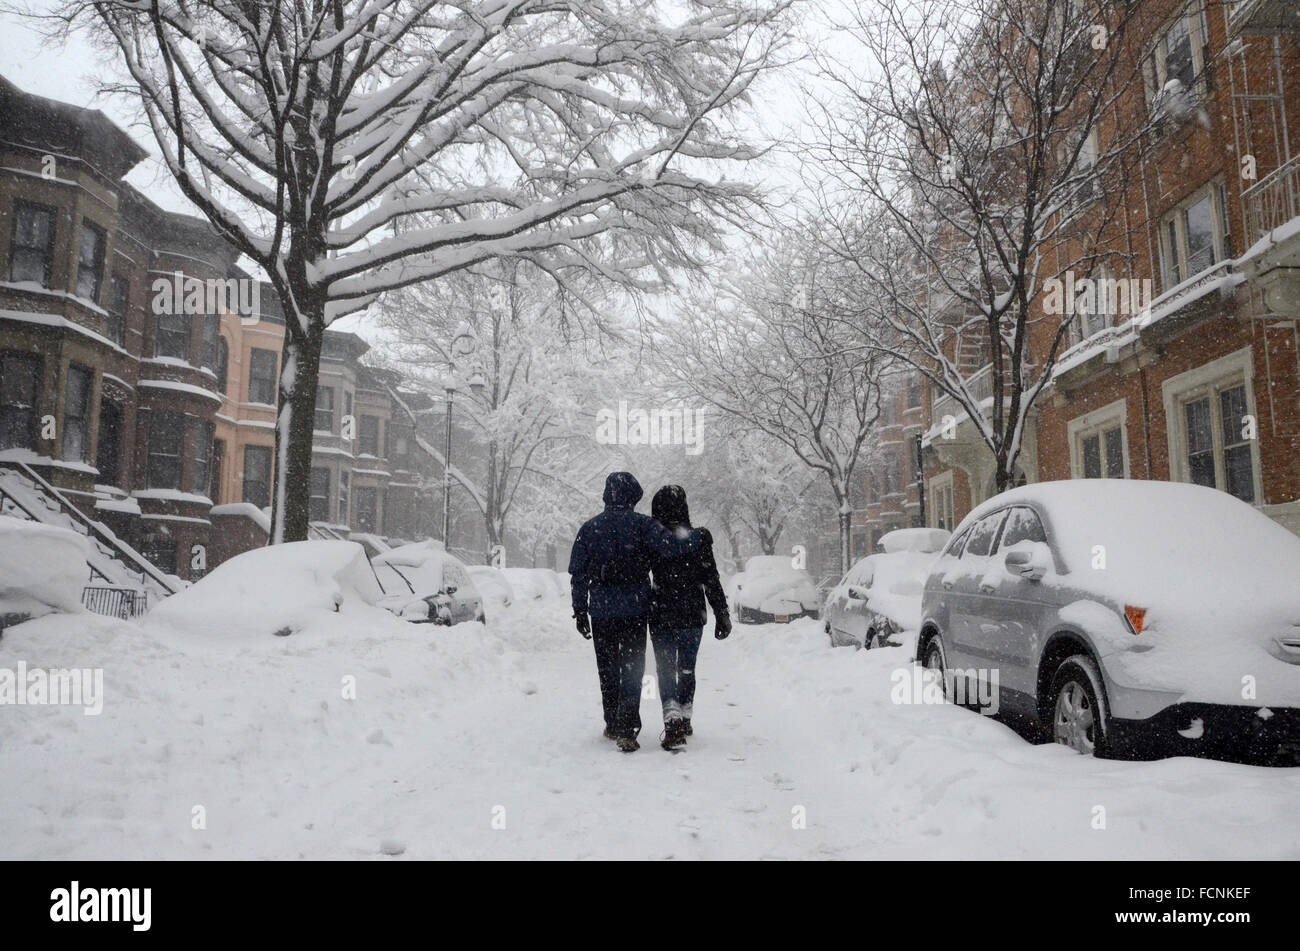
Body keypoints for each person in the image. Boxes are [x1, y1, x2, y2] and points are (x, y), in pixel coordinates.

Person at [568, 472, 705, 753]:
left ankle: (613, 722)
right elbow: (673, 547)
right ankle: (628, 730)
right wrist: (699, 536)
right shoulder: (643, 526)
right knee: (632, 669)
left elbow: (578, 573)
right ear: (632, 496)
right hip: (634, 607)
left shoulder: (589, 528)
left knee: (607, 668)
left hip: (602, 610)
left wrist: (580, 610)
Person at [647, 485, 730, 750]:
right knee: (687, 667)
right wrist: (722, 613)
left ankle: (672, 721)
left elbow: (639, 575)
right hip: (692, 614)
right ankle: (685, 715)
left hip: (661, 613)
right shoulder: (700, 540)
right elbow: (711, 579)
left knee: (665, 668)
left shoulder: (652, 539)